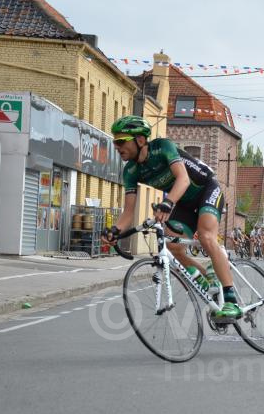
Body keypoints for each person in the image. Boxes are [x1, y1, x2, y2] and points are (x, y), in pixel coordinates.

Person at [101, 115, 243, 322]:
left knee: (205, 235)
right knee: (172, 246)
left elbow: (183, 179)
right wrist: (114, 230)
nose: (117, 146)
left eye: (121, 141)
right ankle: (208, 278)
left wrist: (168, 203)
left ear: (140, 140)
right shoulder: (131, 170)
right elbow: (129, 211)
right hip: (183, 203)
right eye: (115, 141)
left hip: (206, 190)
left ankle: (232, 301)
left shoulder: (162, 148)